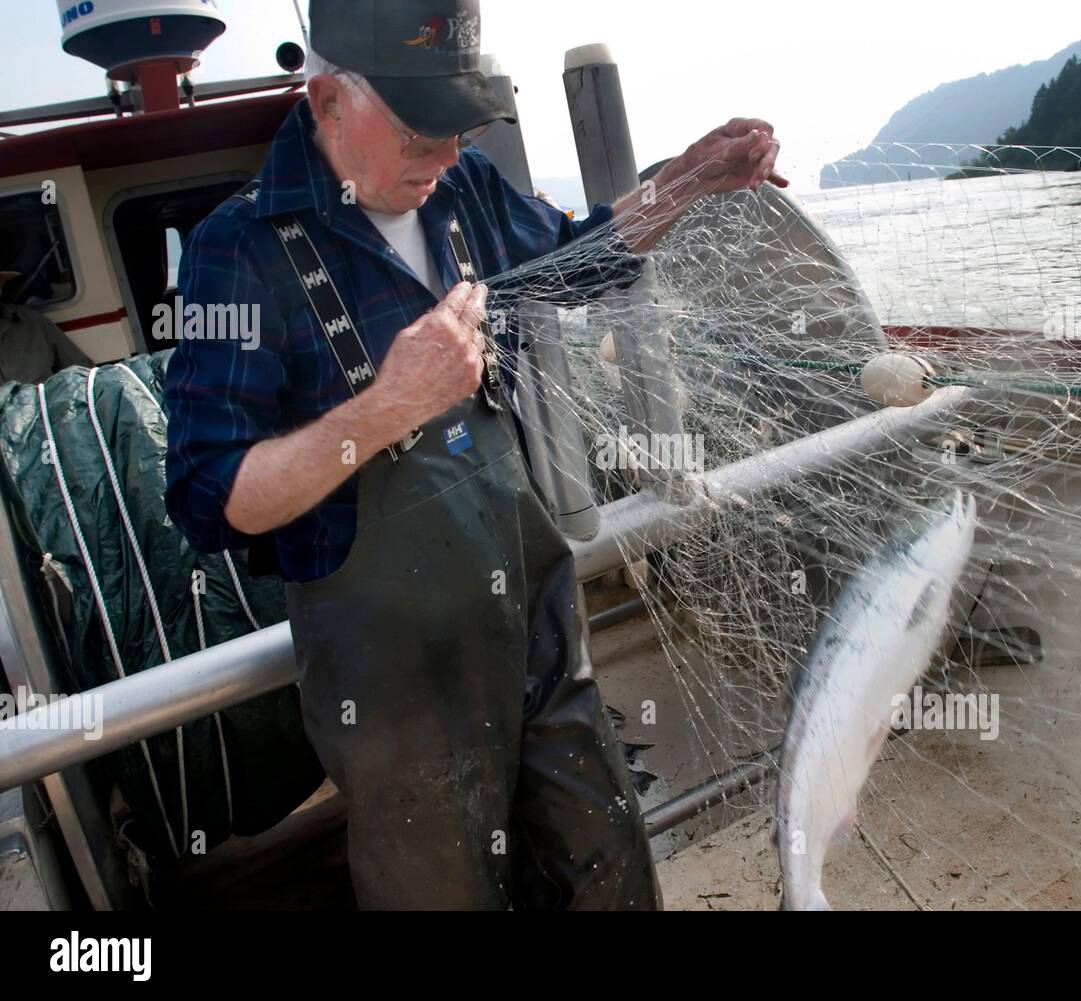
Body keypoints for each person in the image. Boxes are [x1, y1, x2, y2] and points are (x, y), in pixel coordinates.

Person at [164, 0, 786, 909]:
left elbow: (579, 258)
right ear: (329, 100)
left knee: (606, 859)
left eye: (460, 126)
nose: (448, 155)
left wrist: (689, 180)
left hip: (535, 631)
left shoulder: (465, 189)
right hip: (395, 698)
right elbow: (210, 496)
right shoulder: (237, 252)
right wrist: (388, 405)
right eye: (422, 129)